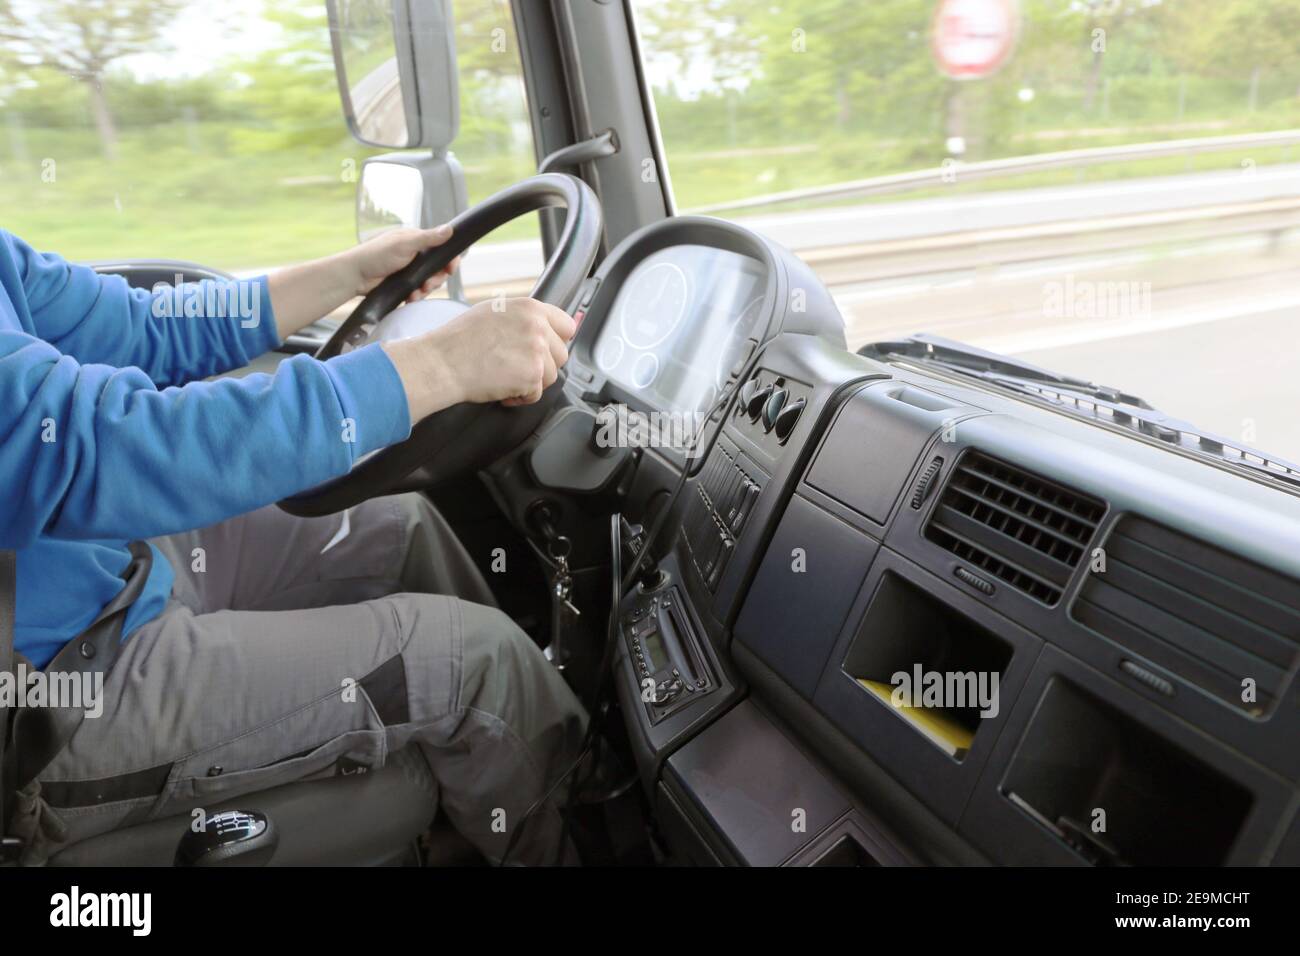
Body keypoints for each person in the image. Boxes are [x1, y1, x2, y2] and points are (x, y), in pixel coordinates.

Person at [0, 225, 587, 864]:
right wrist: (441, 364)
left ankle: (485, 782)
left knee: (393, 524)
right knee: (480, 666)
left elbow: (146, 325)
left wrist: (350, 275)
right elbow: (96, 444)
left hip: (94, 568)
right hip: (47, 696)